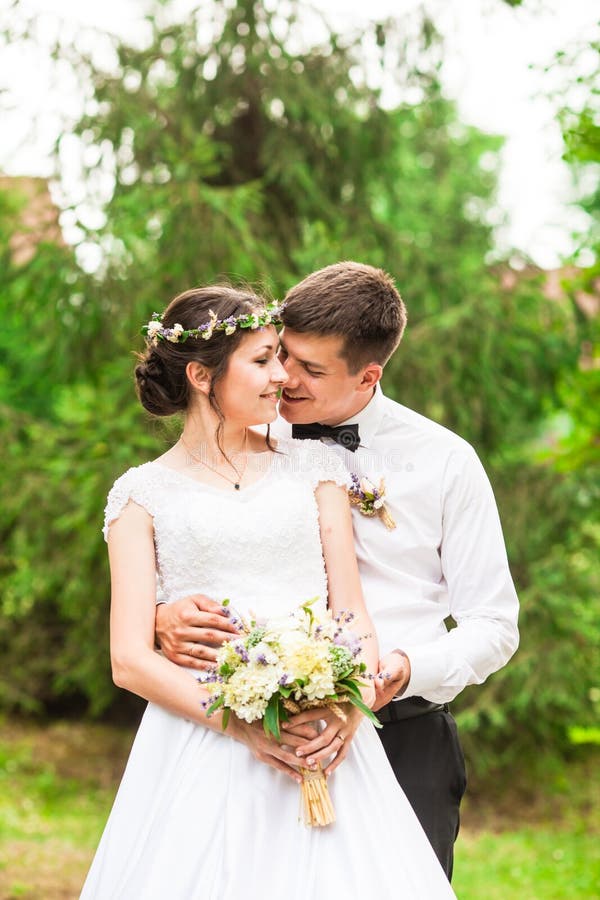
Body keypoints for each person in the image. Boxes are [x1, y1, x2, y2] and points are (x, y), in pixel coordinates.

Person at [80, 284, 455, 899]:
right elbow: (129, 659)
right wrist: (244, 727)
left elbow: (352, 614)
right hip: (200, 740)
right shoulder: (140, 496)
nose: (282, 375)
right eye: (263, 360)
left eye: (279, 356)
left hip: (324, 738)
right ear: (202, 376)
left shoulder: (315, 470)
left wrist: (347, 706)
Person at [156, 263, 520, 880]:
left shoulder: (446, 462)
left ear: (368, 375)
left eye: (312, 370)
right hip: (262, 736)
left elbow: (495, 624)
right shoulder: (239, 432)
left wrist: (404, 668)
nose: (285, 378)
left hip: (402, 736)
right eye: (281, 355)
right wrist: (163, 613)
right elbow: (185, 530)